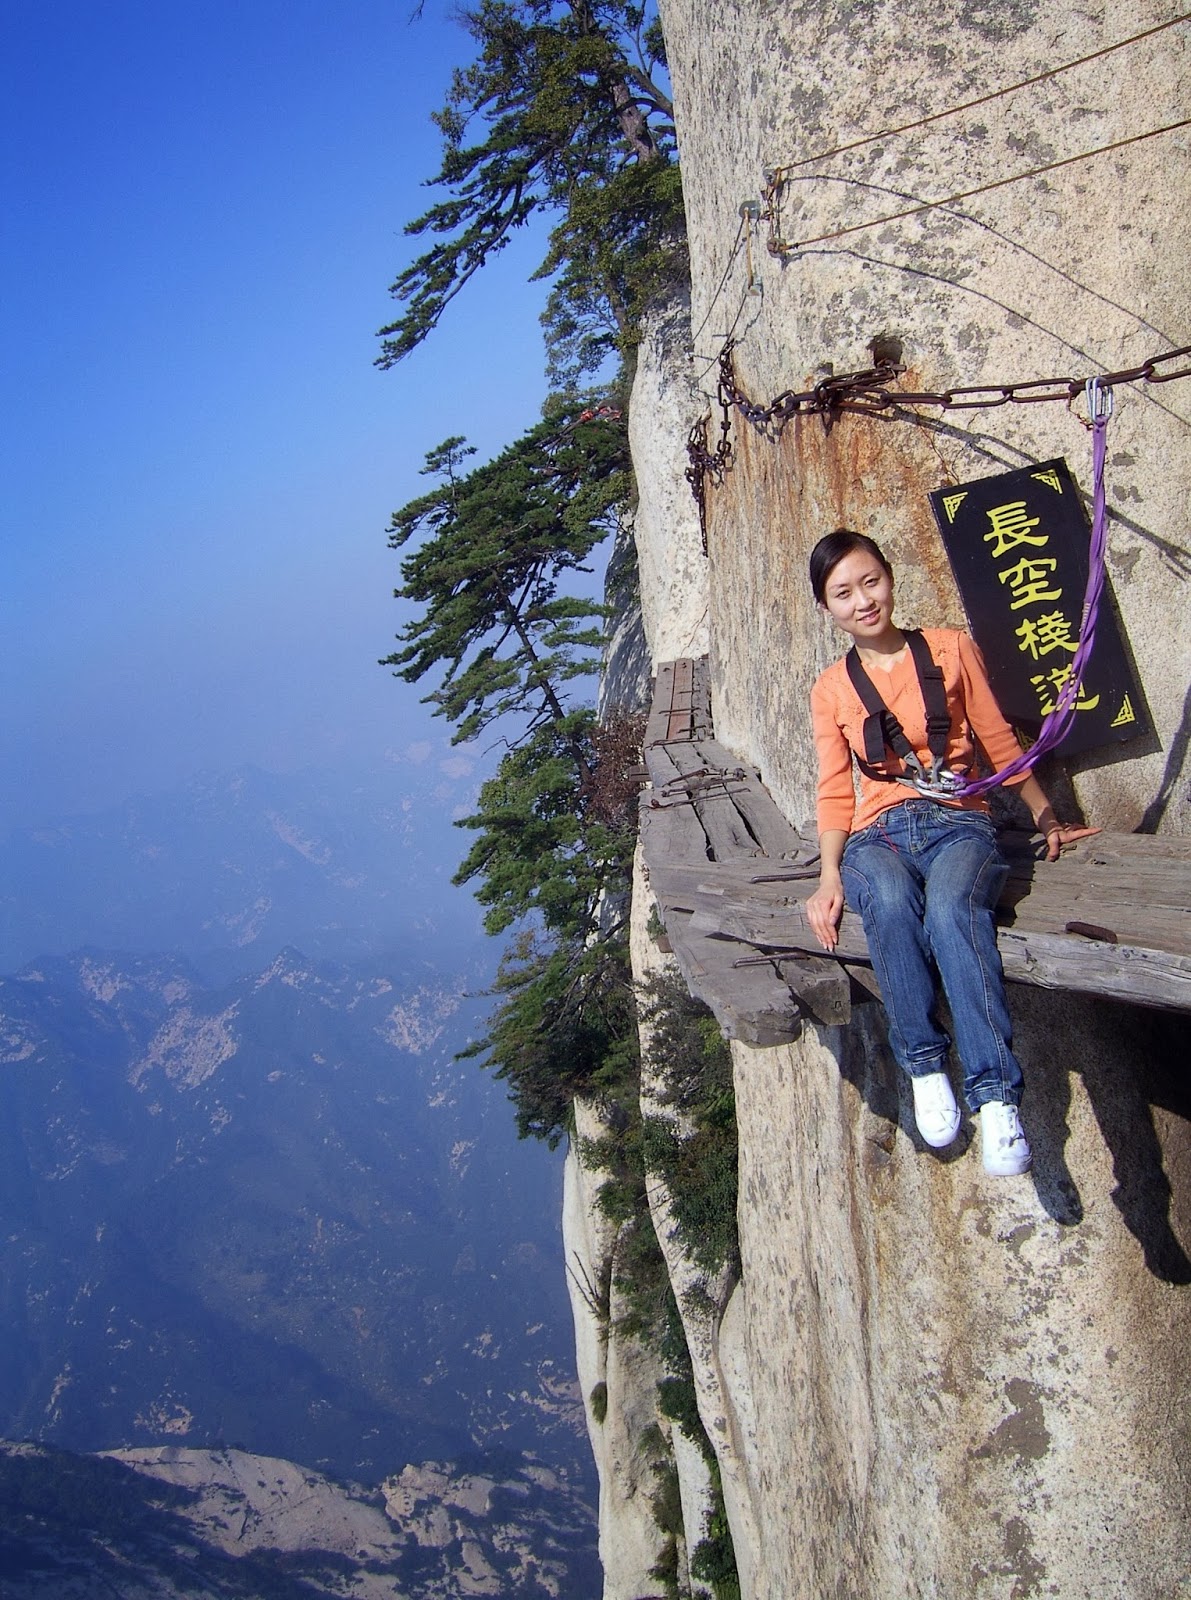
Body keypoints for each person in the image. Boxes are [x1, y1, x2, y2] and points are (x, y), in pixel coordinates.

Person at [804, 529, 1098, 1176]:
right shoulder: (831, 690)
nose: (863, 601)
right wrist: (828, 876)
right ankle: (924, 1066)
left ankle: (994, 1097)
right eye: (843, 593)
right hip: (875, 835)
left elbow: (995, 738)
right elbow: (833, 789)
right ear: (826, 609)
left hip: (959, 824)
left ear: (889, 576)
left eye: (869, 581)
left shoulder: (946, 648)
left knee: (947, 913)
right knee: (884, 900)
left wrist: (1045, 813)